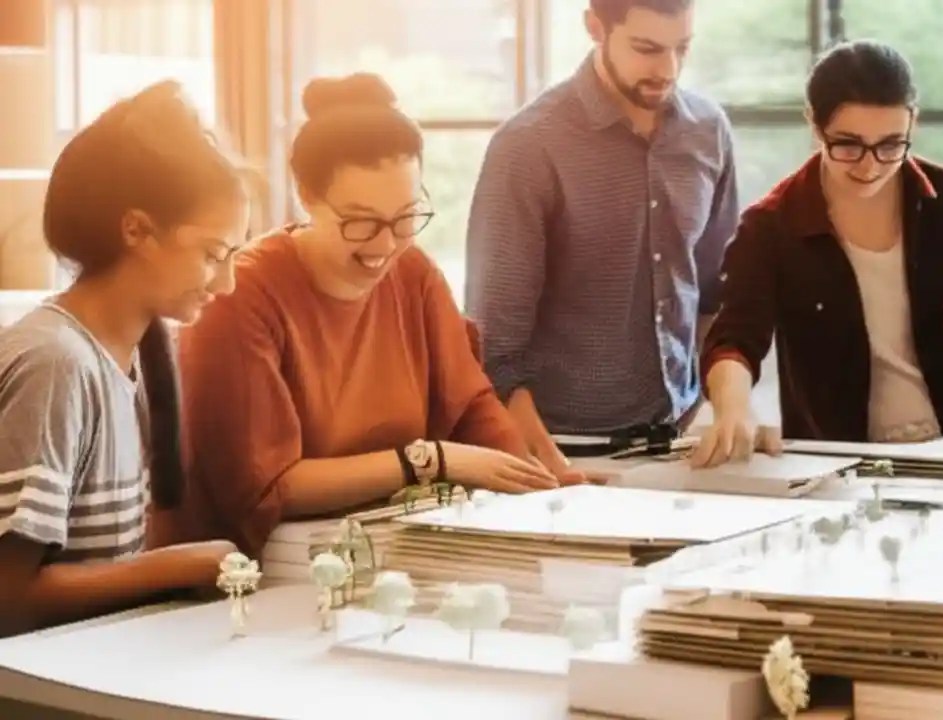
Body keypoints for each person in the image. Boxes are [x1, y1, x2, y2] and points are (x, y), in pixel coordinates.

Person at [169, 74, 557, 559]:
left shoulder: (413, 274)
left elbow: (471, 408)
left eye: (405, 217)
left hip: (395, 541)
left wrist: (537, 493)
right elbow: (265, 487)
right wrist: (427, 460)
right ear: (306, 195)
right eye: (362, 222)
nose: (386, 244)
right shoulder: (240, 295)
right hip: (263, 564)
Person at [692, 40, 943, 467]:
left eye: (891, 145)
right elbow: (735, 338)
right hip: (836, 456)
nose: (870, 166)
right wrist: (734, 407)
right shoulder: (772, 225)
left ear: (913, 122)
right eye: (848, 145)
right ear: (814, 124)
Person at [0, 81, 248, 637]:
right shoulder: (57, 364)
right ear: (136, 229)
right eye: (213, 254)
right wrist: (175, 567)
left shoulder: (132, 357)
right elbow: (7, 599)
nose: (227, 283)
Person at [465, 0, 739, 474]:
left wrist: (716, 407)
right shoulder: (528, 145)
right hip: (564, 456)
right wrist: (548, 468)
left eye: (681, 48)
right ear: (595, 27)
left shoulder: (708, 131)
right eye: (646, 48)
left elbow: (716, 291)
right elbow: (495, 345)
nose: (668, 69)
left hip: (677, 448)